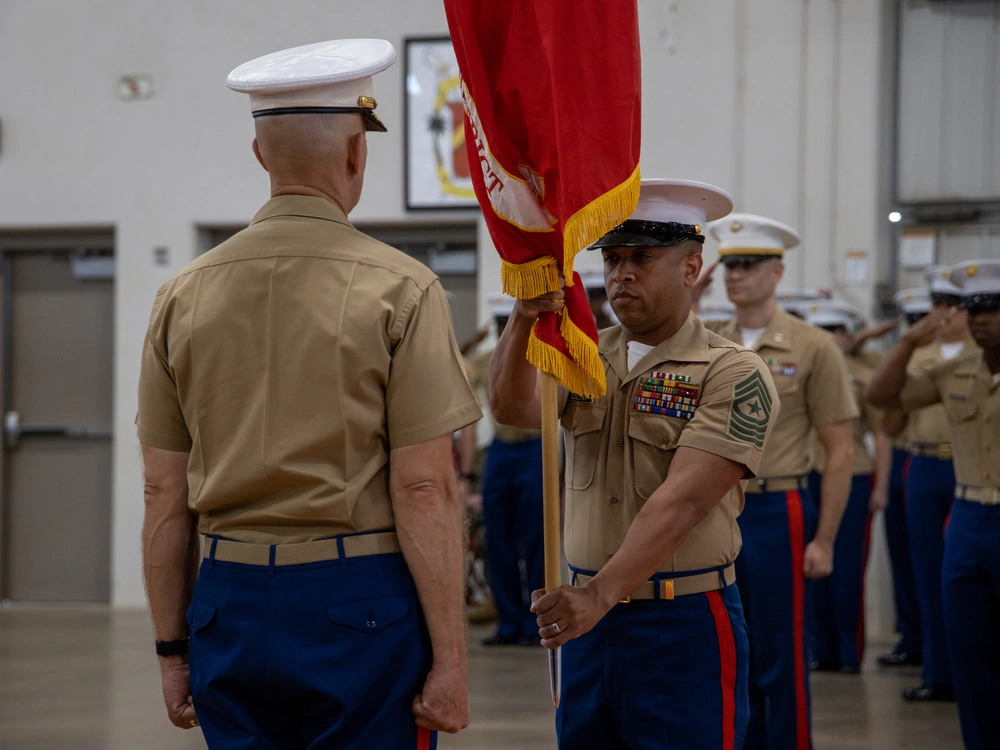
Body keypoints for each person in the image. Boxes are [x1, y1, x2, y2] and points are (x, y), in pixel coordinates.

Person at [137, 39, 482, 748]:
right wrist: (450, 660)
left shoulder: (180, 296)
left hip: (226, 603)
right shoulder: (403, 289)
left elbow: (162, 493)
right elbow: (424, 487)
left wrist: (172, 651)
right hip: (359, 602)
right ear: (358, 155)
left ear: (261, 156)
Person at [490, 179, 780, 749]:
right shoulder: (585, 355)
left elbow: (685, 501)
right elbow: (512, 408)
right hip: (585, 623)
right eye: (613, 258)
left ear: (692, 268)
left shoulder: (733, 372)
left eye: (642, 258)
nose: (621, 273)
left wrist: (598, 596)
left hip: (681, 624)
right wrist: (524, 318)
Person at [699, 214, 857, 750]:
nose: (736, 276)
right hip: (714, 508)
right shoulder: (707, 340)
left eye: (749, 265)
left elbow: (839, 450)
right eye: (729, 265)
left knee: (780, 650)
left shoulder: (813, 347)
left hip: (777, 509)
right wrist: (689, 294)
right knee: (722, 644)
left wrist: (826, 538)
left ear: (778, 271)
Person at [867, 259, 1000, 750]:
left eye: (992, 307)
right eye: (973, 306)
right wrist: (906, 343)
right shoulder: (951, 370)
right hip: (968, 514)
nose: (981, 317)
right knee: (971, 648)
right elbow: (883, 396)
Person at [882, 269, 977, 702]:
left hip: (966, 467)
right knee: (927, 572)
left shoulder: (984, 354)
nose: (941, 314)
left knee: (971, 577)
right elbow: (889, 417)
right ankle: (937, 670)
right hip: (921, 462)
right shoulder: (919, 357)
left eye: (950, 306)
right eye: (937, 305)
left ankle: (973, 670)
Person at [798, 300, 890, 674]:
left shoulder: (862, 375)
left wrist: (881, 486)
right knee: (810, 566)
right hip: (807, 472)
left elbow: (882, 433)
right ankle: (820, 648)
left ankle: (848, 651)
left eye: (835, 331)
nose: (829, 339)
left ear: (846, 334)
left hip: (852, 475)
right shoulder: (801, 369)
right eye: (821, 331)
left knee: (848, 567)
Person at [460, 294, 544, 646]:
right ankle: (509, 622)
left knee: (537, 539)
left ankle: (536, 622)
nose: (501, 327)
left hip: (535, 448)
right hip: (501, 450)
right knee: (498, 538)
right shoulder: (484, 361)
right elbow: (464, 413)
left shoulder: (544, 357)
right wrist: (465, 476)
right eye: (498, 323)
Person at [874, 288, 930, 669]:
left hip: (942, 463)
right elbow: (888, 423)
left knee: (936, 565)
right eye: (912, 320)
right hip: (907, 459)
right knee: (908, 561)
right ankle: (913, 638)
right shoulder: (900, 360)